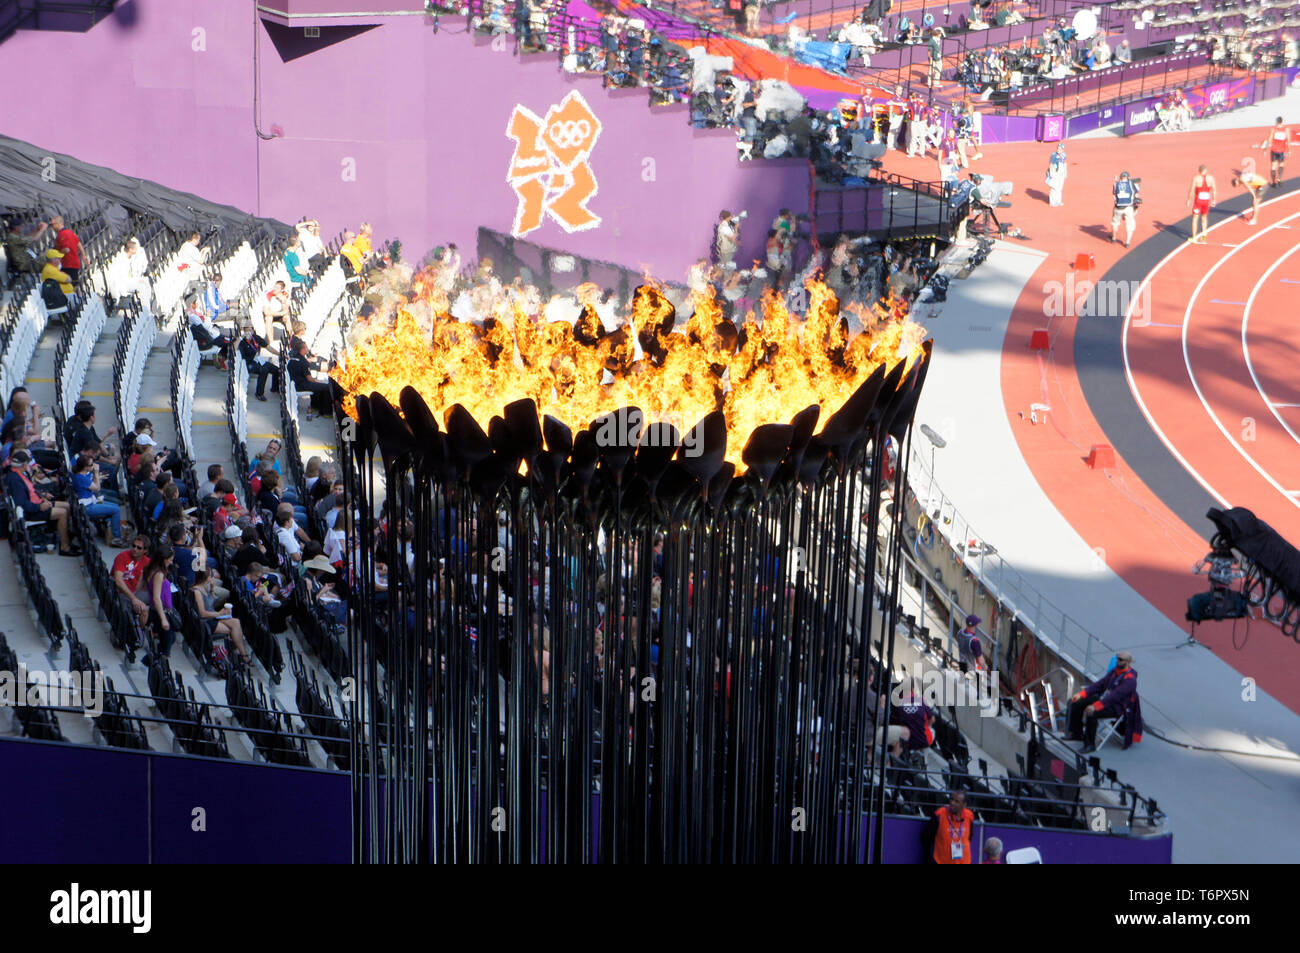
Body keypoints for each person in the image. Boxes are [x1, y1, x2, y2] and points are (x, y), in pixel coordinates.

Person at [1065, 650, 1142, 751]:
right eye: (1117, 658)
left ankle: (1090, 744)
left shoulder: (1130, 680)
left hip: (1116, 707)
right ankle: (1076, 733)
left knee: (1091, 712)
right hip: (1105, 700)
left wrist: (1095, 706)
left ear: (1127, 662)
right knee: (1075, 702)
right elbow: (1100, 684)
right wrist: (1081, 694)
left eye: (1120, 659)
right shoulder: (1115, 672)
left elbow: (1115, 696)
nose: (1117, 661)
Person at [5, 450, 78, 555]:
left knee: (67, 506)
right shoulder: (15, 481)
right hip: (31, 511)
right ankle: (64, 547)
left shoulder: (19, 474)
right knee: (62, 513)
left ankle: (65, 534)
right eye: (27, 463)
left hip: (36, 503)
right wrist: (40, 507)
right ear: (23, 465)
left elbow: (31, 490)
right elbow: (22, 504)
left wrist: (42, 496)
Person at [71, 455, 124, 546]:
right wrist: (96, 472)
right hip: (87, 507)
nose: (94, 465)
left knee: (115, 506)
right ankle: (117, 538)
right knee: (116, 510)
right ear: (86, 467)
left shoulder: (81, 475)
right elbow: (97, 488)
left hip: (90, 502)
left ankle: (108, 530)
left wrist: (96, 477)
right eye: (91, 464)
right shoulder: (81, 477)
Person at [141, 545, 177, 663]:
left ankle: (153, 661)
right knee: (166, 644)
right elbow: (156, 598)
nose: (171, 562)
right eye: (170, 560)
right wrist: (163, 619)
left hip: (158, 610)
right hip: (161, 612)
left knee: (169, 639)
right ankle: (153, 664)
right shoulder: (158, 574)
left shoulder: (150, 569)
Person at [288, 338, 333, 418]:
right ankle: (327, 412)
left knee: (318, 385)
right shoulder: (303, 362)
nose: (307, 349)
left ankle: (315, 406)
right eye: (306, 347)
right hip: (301, 385)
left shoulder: (293, 358)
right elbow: (309, 379)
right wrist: (317, 381)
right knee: (327, 387)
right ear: (302, 349)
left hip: (294, 383)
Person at [112, 537, 151, 623]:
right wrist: (134, 599)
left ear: (145, 551)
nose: (135, 549)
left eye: (139, 548)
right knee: (142, 609)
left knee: (161, 601)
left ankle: (152, 628)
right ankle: (139, 633)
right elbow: (118, 581)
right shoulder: (122, 557)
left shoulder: (147, 562)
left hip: (136, 591)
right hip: (122, 593)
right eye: (133, 546)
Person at [238, 323, 280, 401]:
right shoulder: (242, 341)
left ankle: (275, 388)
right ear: (244, 331)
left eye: (250, 330)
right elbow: (234, 347)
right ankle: (259, 393)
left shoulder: (256, 338)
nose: (249, 332)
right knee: (264, 370)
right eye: (247, 330)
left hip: (258, 360)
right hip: (248, 363)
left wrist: (279, 354)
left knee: (276, 370)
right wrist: (240, 337)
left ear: (253, 331)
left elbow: (268, 347)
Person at [931, 791, 975, 864]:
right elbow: (927, 837)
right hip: (942, 861)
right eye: (951, 799)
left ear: (964, 805)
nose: (952, 803)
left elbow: (970, 836)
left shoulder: (969, 816)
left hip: (964, 861)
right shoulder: (939, 814)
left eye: (957, 801)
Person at [49, 214, 84, 285]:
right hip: (74, 263)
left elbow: (66, 249)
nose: (52, 227)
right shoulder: (70, 232)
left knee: (71, 285)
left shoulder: (62, 234)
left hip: (68, 264)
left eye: (53, 225)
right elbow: (79, 243)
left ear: (58, 223)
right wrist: (84, 255)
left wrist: (56, 254)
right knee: (73, 283)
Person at [1186, 164, 1216, 244]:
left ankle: (1194, 237)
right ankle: (1203, 237)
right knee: (1204, 218)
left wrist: (1188, 200)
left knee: (1195, 218)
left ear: (1199, 171)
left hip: (1198, 201)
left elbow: (1191, 190)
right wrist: (1214, 200)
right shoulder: (1211, 178)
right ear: (1206, 170)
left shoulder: (1196, 178)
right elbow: (1214, 190)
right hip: (1206, 201)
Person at [1111, 170, 1139, 247]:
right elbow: (1136, 195)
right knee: (1130, 225)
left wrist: (1116, 180)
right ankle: (1127, 242)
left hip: (1118, 207)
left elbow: (1114, 195)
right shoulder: (1131, 184)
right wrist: (1136, 207)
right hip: (1128, 207)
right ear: (1128, 177)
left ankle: (1113, 238)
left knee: (1115, 223)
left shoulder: (1116, 184)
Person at [1259, 116, 1290, 186]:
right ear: (1282, 121)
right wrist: (1289, 150)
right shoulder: (1286, 129)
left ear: (1276, 122)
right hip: (1282, 150)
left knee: (1273, 166)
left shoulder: (1273, 129)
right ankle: (1279, 178)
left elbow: (1269, 140)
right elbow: (1288, 140)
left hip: (1274, 150)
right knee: (1281, 164)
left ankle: (1273, 182)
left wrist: (1265, 149)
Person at [1046, 143, 1067, 207]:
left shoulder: (1064, 155)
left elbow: (1064, 163)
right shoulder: (1054, 155)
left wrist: (1065, 173)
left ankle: (1058, 201)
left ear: (1063, 150)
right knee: (1054, 187)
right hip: (1054, 173)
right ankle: (1052, 202)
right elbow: (1051, 165)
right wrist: (1051, 174)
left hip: (1061, 173)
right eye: (1058, 148)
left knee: (1060, 188)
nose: (1059, 149)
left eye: (1060, 148)